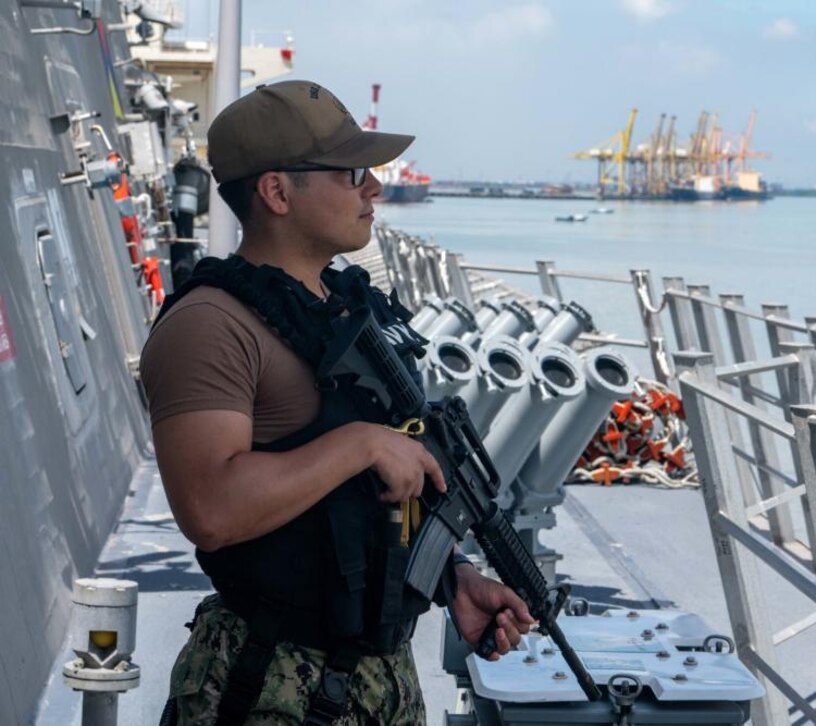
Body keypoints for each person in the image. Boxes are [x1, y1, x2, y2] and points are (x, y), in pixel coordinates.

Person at [141, 80, 533, 725]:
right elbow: (210, 509)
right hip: (269, 685)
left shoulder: (345, 313)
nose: (373, 188)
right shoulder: (211, 325)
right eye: (352, 173)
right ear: (277, 192)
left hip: (378, 680)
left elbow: (359, 504)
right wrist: (361, 444)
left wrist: (452, 577)